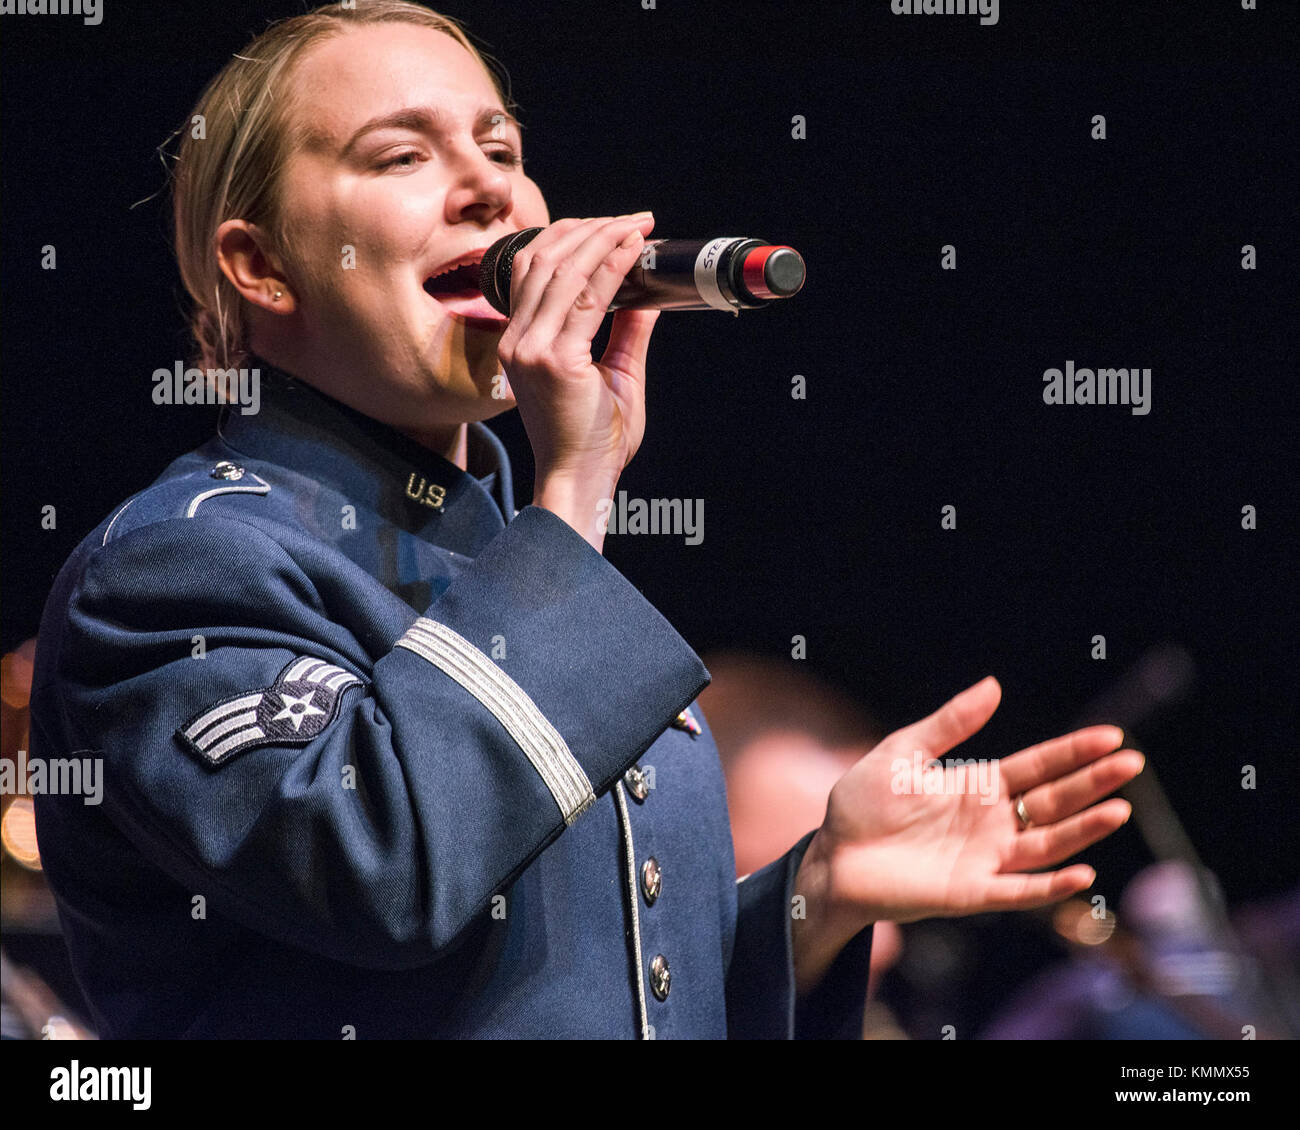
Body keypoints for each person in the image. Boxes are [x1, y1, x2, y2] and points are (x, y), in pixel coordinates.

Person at [28, 2, 1145, 1039]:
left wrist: (816, 894)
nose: (490, 193)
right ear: (260, 265)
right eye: (404, 155)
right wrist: (573, 494)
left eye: (502, 151)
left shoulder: (527, 558)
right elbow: (382, 866)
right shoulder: (179, 565)